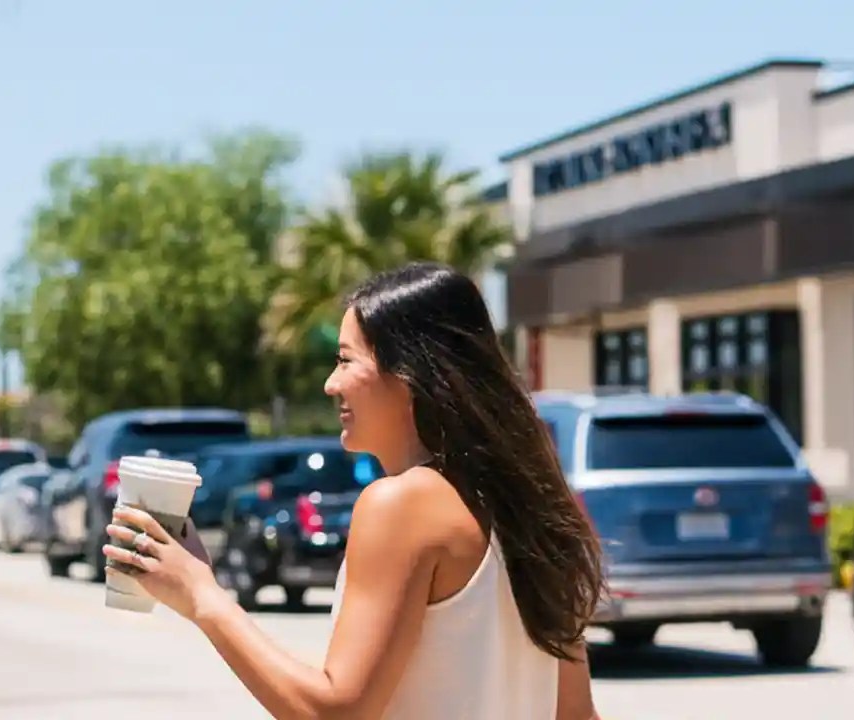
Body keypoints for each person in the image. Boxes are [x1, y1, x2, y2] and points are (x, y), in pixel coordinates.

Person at [104, 262, 605, 719]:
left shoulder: (402, 505)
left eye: (345, 361)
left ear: (409, 373)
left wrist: (203, 598)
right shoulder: (529, 509)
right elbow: (577, 716)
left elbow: (335, 712)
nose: (330, 384)